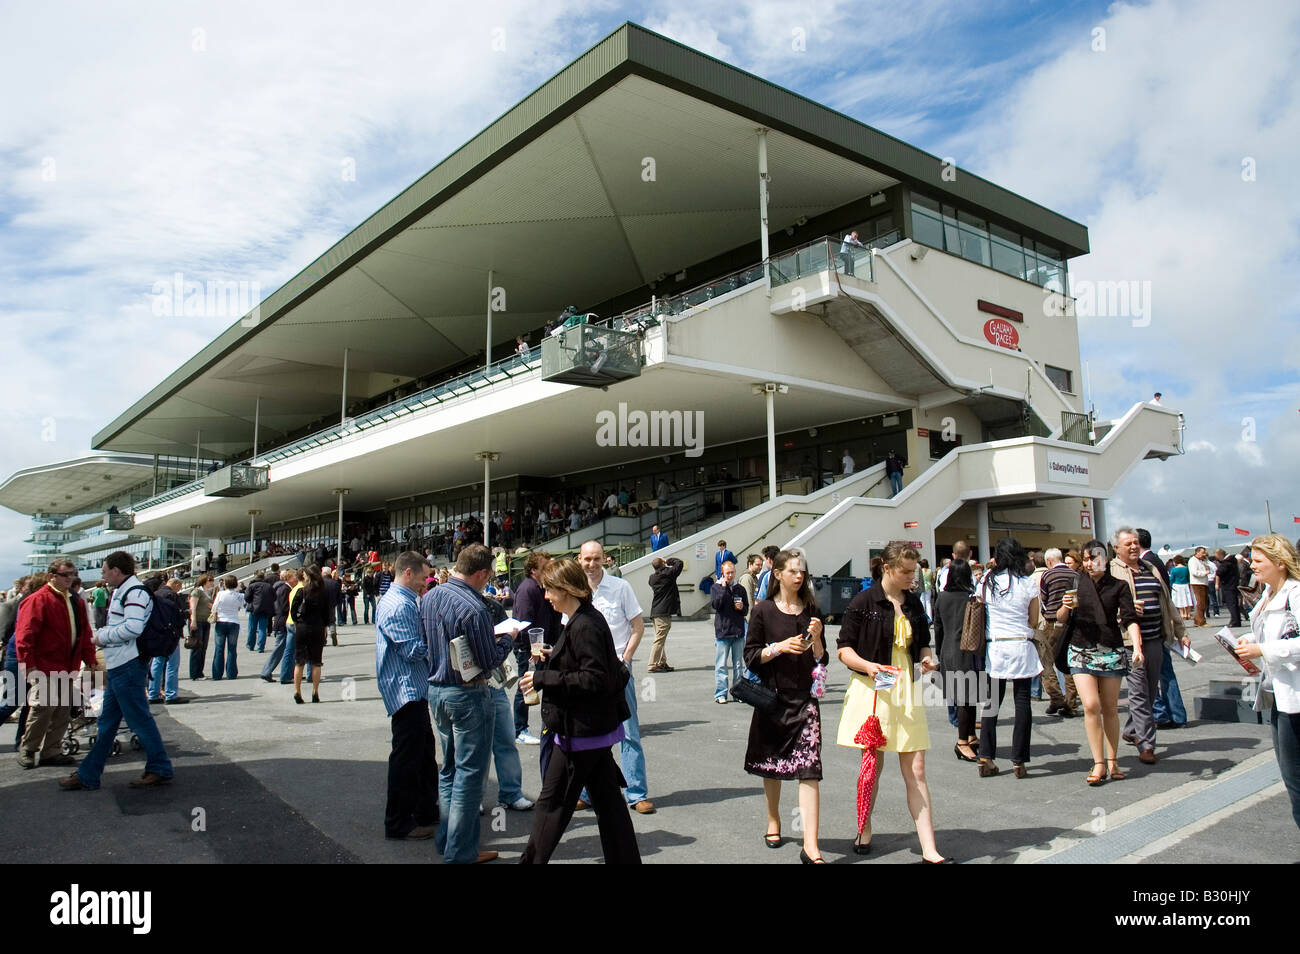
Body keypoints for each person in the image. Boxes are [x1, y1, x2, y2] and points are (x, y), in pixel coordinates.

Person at [519, 558, 642, 863]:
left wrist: (542, 677)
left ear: (567, 589)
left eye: (550, 590)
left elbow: (593, 678)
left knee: (551, 808)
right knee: (610, 807)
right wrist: (554, 655)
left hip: (580, 733)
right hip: (591, 733)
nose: (546, 596)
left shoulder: (584, 622)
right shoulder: (583, 617)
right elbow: (587, 665)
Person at [836, 541, 948, 863]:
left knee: (916, 768)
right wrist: (869, 666)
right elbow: (844, 648)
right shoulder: (863, 601)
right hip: (874, 688)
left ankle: (930, 849)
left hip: (906, 688)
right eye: (906, 571)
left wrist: (926, 660)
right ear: (887, 568)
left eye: (914, 571)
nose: (913, 577)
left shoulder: (913, 603)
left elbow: (924, 644)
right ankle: (864, 825)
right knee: (873, 765)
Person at [59, 551, 173, 791]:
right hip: (124, 664)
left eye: (104, 570)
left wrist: (99, 637)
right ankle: (89, 773)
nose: (102, 575)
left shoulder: (133, 593)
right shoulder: (129, 591)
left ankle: (159, 767)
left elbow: (133, 628)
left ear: (116, 571)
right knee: (109, 722)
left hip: (127, 664)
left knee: (136, 720)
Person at [744, 550, 827, 862]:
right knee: (773, 764)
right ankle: (774, 819)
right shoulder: (763, 610)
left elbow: (822, 657)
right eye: (792, 571)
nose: (799, 576)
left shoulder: (811, 609)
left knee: (810, 770)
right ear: (777, 574)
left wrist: (817, 640)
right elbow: (750, 655)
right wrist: (777, 648)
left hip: (806, 699)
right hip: (773, 698)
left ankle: (811, 846)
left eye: (802, 571)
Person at [574, 540, 653, 814]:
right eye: (587, 559)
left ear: (605, 559)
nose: (592, 564)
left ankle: (636, 793)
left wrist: (625, 659)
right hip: (586, 675)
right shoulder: (576, 591)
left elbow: (638, 626)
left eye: (597, 559)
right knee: (587, 734)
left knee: (628, 733)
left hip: (617, 672)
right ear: (579, 560)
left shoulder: (621, 588)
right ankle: (585, 791)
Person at [1057, 539, 1140, 785]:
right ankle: (1098, 762)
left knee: (1110, 707)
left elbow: (1129, 618)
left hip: (1111, 649)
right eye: (1086, 558)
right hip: (1080, 648)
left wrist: (1137, 645)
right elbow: (1059, 618)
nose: (1090, 563)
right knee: (1091, 705)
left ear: (1106, 559)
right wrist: (1065, 606)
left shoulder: (1119, 586)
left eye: (1095, 558)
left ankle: (1113, 760)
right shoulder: (1076, 583)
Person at [1234, 534, 1300, 830]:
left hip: (1295, 697)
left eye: (1258, 561)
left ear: (1280, 563)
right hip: (1279, 696)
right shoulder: (1269, 594)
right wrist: (1247, 641)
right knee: (1291, 778)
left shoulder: (1295, 594)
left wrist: (1262, 650)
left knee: (1296, 780)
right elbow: (1268, 633)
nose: (1252, 566)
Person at [1111, 527, 1189, 764]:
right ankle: (1146, 744)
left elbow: (1167, 601)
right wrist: (1124, 609)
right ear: (1117, 548)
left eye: (1135, 543)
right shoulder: (1112, 571)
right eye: (1128, 544)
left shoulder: (1150, 568)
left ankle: (1131, 730)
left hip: (1155, 638)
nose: (1134, 547)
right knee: (1138, 692)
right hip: (1129, 642)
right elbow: (1102, 604)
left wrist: (1180, 631)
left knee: (1152, 690)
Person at [376, 551, 440, 839]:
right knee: (407, 756)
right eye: (424, 576)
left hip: (412, 687)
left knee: (423, 752)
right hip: (405, 689)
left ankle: (424, 810)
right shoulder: (399, 605)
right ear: (408, 573)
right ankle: (398, 821)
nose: (425, 582)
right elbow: (412, 650)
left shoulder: (403, 600)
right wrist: (441, 642)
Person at [15, 560, 98, 769]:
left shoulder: (75, 601)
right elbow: (25, 636)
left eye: (72, 574)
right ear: (52, 576)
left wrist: (90, 659)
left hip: (66, 664)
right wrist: (29, 665)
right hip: (44, 665)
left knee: (62, 710)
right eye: (65, 574)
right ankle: (28, 748)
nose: (70, 578)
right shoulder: (38, 600)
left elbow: (84, 633)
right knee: (43, 708)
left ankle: (51, 751)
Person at [977, 537, 1041, 778]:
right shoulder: (1027, 584)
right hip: (1021, 645)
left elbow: (979, 610)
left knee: (992, 704)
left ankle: (985, 756)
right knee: (1022, 703)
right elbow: (1034, 620)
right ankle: (1019, 760)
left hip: (995, 647)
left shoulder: (986, 581)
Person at [934, 558, 980, 762]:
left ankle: (969, 736)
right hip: (967, 650)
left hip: (947, 648)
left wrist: (938, 653)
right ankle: (963, 740)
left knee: (962, 698)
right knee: (968, 699)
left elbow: (938, 627)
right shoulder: (970, 597)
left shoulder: (942, 597)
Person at [511, 552, 555, 746]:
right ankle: (519, 729)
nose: (548, 569)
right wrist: (531, 650)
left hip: (538, 647)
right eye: (545, 566)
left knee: (533, 685)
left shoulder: (538, 587)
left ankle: (524, 728)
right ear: (534, 570)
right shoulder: (528, 589)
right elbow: (524, 622)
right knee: (527, 687)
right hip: (528, 649)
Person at [1037, 548, 1080, 717]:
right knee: (1068, 662)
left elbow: (1044, 600)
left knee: (1046, 661)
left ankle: (1055, 697)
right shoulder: (1075, 575)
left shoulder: (1047, 576)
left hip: (1052, 621)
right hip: (1071, 623)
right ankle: (1070, 702)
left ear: (1049, 562)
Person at [290, 565, 331, 704]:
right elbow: (327, 613)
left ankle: (297, 691)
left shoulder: (301, 591)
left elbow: (293, 611)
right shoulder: (323, 593)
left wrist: (297, 621)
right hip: (318, 627)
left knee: (299, 662)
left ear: (308, 576)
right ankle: (315, 692)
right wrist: (325, 626)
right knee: (316, 662)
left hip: (302, 626)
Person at [709, 561, 748, 704]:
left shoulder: (740, 589)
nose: (730, 575)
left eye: (732, 572)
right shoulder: (716, 588)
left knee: (738, 665)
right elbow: (716, 605)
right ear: (722, 574)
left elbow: (746, 610)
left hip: (738, 631)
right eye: (727, 573)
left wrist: (742, 607)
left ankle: (738, 693)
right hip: (723, 632)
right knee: (721, 665)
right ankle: (721, 693)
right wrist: (724, 589)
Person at [147, 577, 187, 704]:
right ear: (175, 584)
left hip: (158, 633)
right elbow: (178, 615)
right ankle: (171, 694)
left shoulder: (155, 594)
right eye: (179, 587)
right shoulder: (172, 595)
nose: (179, 590)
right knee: (172, 664)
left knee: (157, 663)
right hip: (171, 634)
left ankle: (153, 693)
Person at [647, 555, 683, 674]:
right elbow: (679, 563)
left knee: (660, 638)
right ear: (662, 564)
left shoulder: (652, 578)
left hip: (655, 611)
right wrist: (668, 560)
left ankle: (662, 662)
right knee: (659, 639)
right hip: (663, 612)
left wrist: (663, 563)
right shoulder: (668, 574)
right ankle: (652, 664)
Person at [260, 569, 293, 683]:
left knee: (284, 648)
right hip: (283, 621)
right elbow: (284, 607)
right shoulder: (285, 589)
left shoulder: (280, 588)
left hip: (280, 620)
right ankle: (267, 670)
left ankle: (291, 671)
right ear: (288, 578)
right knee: (280, 648)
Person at [210, 575, 244, 680]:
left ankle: (217, 674)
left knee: (219, 648)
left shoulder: (220, 594)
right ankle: (231, 673)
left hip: (221, 621)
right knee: (232, 649)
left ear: (225, 584)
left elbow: (214, 607)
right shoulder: (239, 595)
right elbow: (241, 607)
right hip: (233, 622)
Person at [188, 574, 213, 680]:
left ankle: (199, 672)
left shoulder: (207, 592)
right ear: (204, 581)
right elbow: (192, 607)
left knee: (203, 647)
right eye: (210, 580)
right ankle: (194, 673)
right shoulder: (197, 591)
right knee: (197, 647)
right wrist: (193, 621)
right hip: (198, 621)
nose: (212, 582)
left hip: (205, 621)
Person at [1216, 548, 1242, 627]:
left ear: (1220, 555)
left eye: (1217, 556)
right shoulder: (1232, 560)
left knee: (1231, 604)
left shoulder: (1227, 563)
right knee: (1235, 604)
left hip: (1229, 586)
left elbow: (1219, 572)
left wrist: (1217, 583)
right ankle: (1237, 620)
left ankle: (1234, 621)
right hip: (1233, 584)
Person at [1188, 546, 1211, 627]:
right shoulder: (1192, 560)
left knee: (1203, 602)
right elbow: (1194, 572)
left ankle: (1197, 620)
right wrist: (1205, 573)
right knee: (1201, 602)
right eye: (1202, 552)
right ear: (1197, 552)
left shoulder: (1202, 560)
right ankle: (1201, 621)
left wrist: (1206, 560)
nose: (1204, 554)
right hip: (1197, 583)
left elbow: (1209, 568)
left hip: (1203, 583)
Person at [1169, 555, 1193, 621]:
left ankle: (1182, 614)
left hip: (1177, 585)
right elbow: (1188, 577)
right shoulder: (1186, 568)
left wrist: (1170, 584)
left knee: (1180, 600)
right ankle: (1187, 613)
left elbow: (1172, 579)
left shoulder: (1173, 569)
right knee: (1187, 599)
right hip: (1185, 585)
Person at [323, 567, 343, 646]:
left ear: (324, 573)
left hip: (322, 605)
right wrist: (337, 603)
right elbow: (339, 595)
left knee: (322, 623)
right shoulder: (335, 583)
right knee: (331, 621)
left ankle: (323, 639)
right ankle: (333, 632)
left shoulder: (320, 582)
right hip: (332, 605)